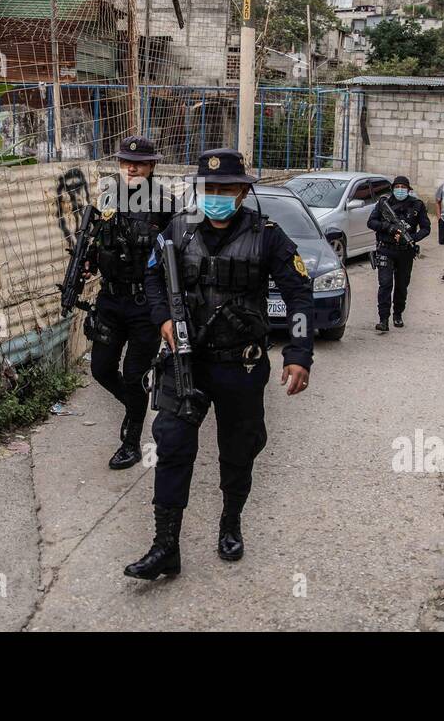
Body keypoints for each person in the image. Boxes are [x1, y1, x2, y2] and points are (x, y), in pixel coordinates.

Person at [126, 148, 313, 580]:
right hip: (183, 360)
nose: (216, 196)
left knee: (239, 447)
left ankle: (230, 521)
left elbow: (299, 293)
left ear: (243, 191)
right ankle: (165, 546)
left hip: (240, 364)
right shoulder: (177, 228)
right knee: (171, 443)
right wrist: (164, 319)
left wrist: (299, 352)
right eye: (209, 188)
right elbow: (153, 278)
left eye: (225, 188)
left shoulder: (268, 235)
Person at [86, 136, 176, 471]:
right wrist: (90, 261)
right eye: (125, 162)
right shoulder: (109, 200)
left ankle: (132, 441)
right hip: (110, 300)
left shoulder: (166, 205)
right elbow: (98, 245)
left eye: (138, 163)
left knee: (135, 372)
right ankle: (135, 406)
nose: (131, 168)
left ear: (153, 166)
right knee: (101, 369)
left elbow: (176, 255)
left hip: (144, 304)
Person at [367, 175, 431, 333]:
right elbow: (371, 222)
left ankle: (397, 314)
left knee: (402, 286)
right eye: (398, 187)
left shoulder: (417, 205)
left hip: (405, 252)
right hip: (386, 249)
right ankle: (383, 319)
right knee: (385, 284)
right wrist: (388, 228)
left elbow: (426, 228)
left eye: (404, 188)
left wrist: (412, 238)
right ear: (392, 189)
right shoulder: (384, 204)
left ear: (409, 190)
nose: (400, 190)